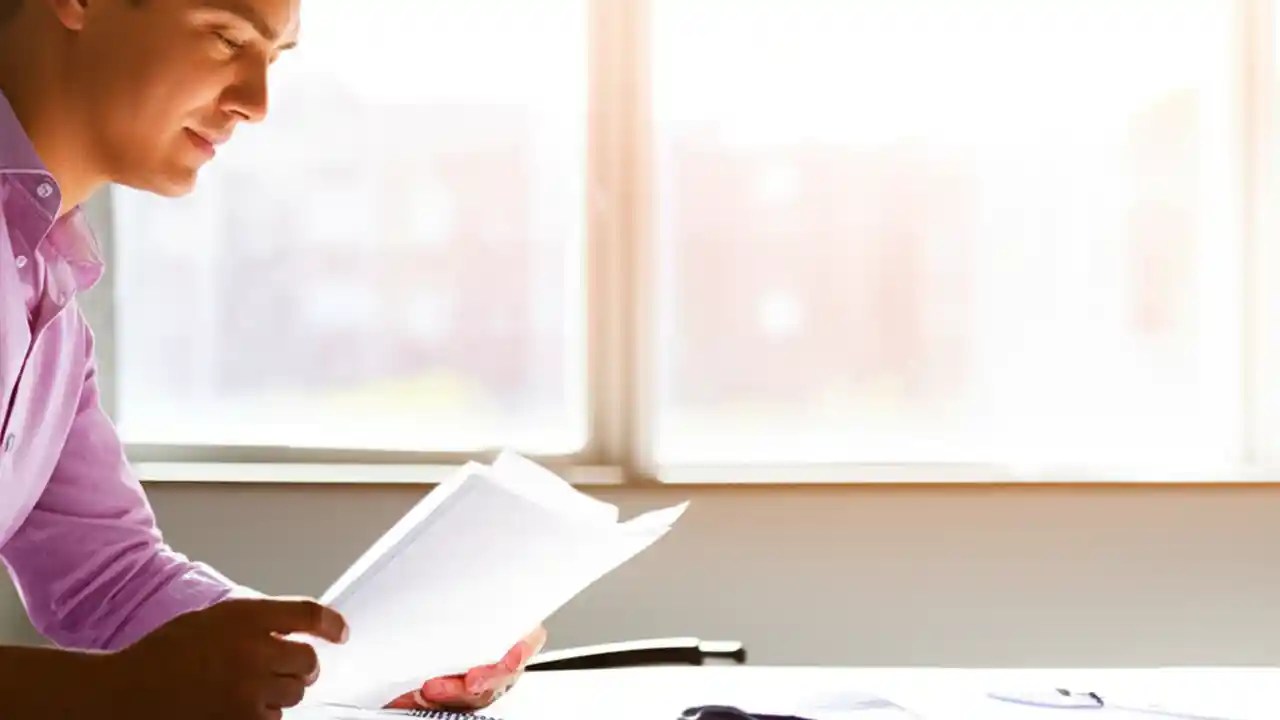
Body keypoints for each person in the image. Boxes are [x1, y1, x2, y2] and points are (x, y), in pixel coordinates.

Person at [0, 0, 546, 717]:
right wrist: (113, 691)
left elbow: (110, 579)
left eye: (274, 58)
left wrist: (370, 669)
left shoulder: (45, 283)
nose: (256, 103)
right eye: (225, 37)